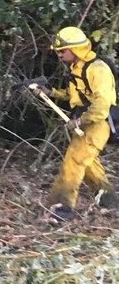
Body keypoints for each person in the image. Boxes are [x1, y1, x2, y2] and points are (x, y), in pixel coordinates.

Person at [43, 26, 115, 220]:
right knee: (88, 161)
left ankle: (62, 208)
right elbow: (74, 96)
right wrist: (50, 93)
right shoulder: (77, 68)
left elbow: (102, 104)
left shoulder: (98, 69)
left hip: (99, 122)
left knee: (74, 160)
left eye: (62, 51)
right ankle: (109, 200)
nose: (59, 55)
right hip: (84, 121)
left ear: (76, 49)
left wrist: (81, 121)